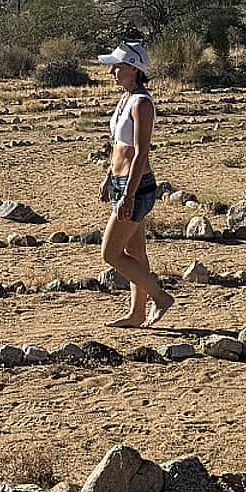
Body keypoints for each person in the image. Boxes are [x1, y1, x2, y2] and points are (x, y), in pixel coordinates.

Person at [96, 42, 174, 328]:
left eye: (117, 66)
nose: (112, 71)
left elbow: (141, 152)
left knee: (110, 254)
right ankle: (137, 313)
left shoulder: (142, 103)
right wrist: (109, 176)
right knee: (136, 254)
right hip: (121, 182)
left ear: (133, 68)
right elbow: (119, 146)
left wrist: (128, 194)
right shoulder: (125, 99)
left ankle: (161, 297)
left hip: (136, 187)